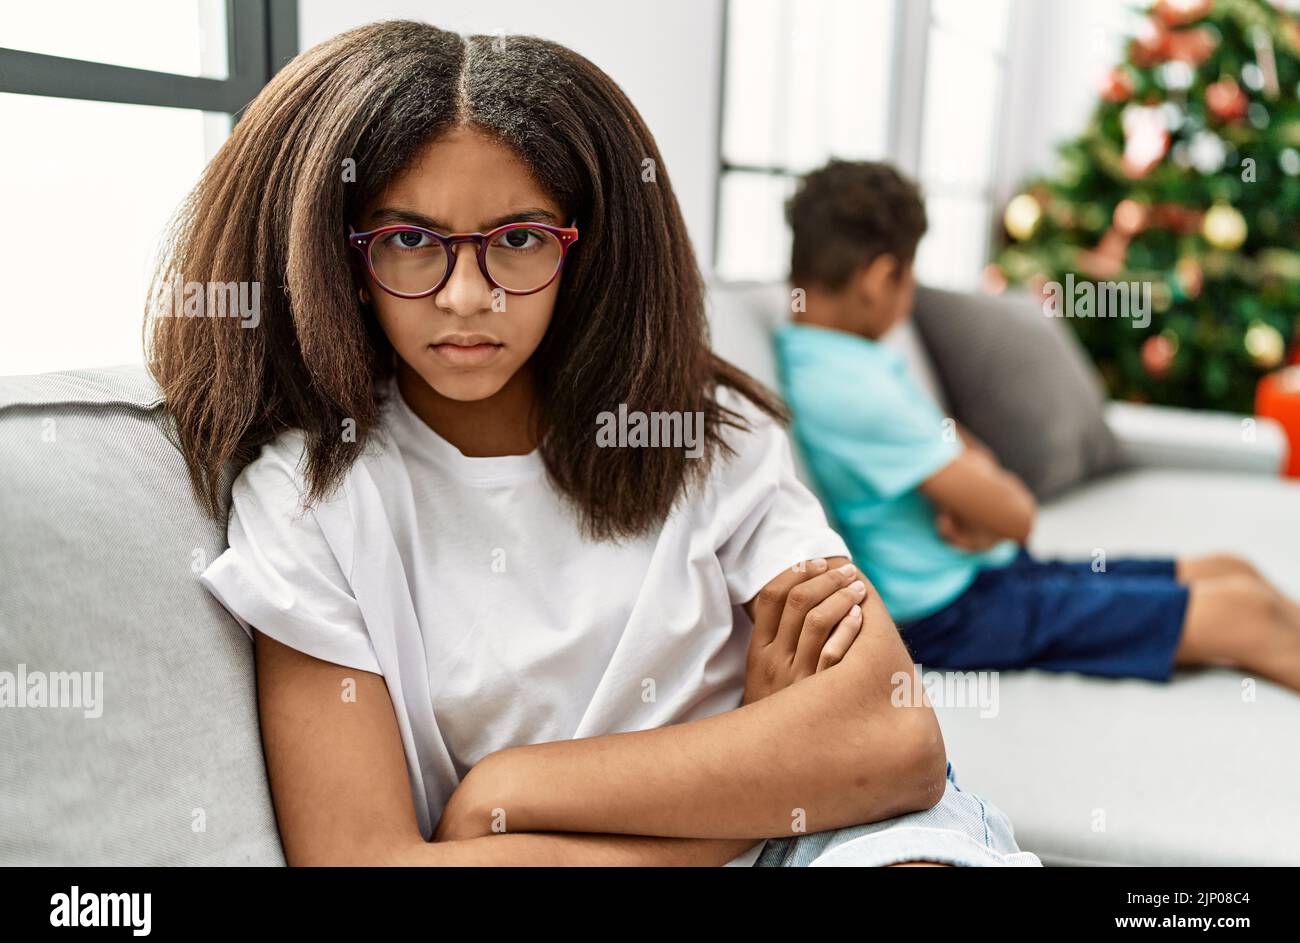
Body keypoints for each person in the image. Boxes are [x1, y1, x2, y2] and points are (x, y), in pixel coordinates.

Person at [148, 22, 1036, 866]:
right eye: (410, 240)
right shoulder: (311, 498)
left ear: (585, 249)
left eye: (521, 240)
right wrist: (736, 808)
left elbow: (895, 740)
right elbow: (366, 858)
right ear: (341, 252)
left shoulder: (699, 428)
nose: (467, 296)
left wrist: (508, 792)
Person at [777, 159, 1300, 692]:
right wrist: (982, 495)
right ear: (879, 277)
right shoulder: (849, 388)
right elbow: (1018, 515)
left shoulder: (842, 357)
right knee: (1244, 612)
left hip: (987, 575)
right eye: (908, 277)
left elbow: (966, 461)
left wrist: (976, 493)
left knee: (1231, 570)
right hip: (955, 616)